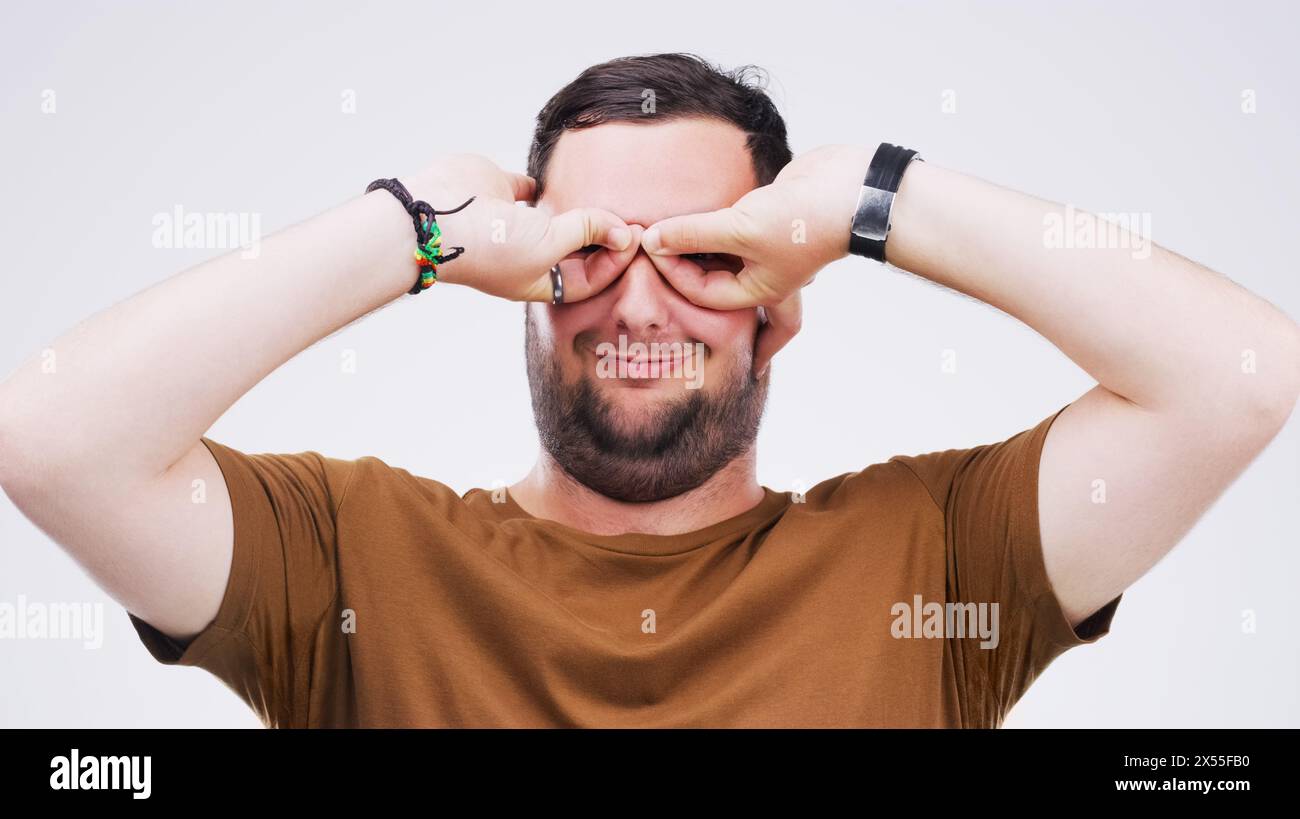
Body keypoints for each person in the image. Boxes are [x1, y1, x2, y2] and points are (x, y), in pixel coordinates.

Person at [1, 53, 1296, 728]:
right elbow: (50, 439)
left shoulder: (941, 562)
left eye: (704, 255)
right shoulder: (346, 565)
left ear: (777, 310)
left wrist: (867, 202)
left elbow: (1239, 377)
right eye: (587, 251)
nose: (634, 301)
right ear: (521, 279)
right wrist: (415, 228)